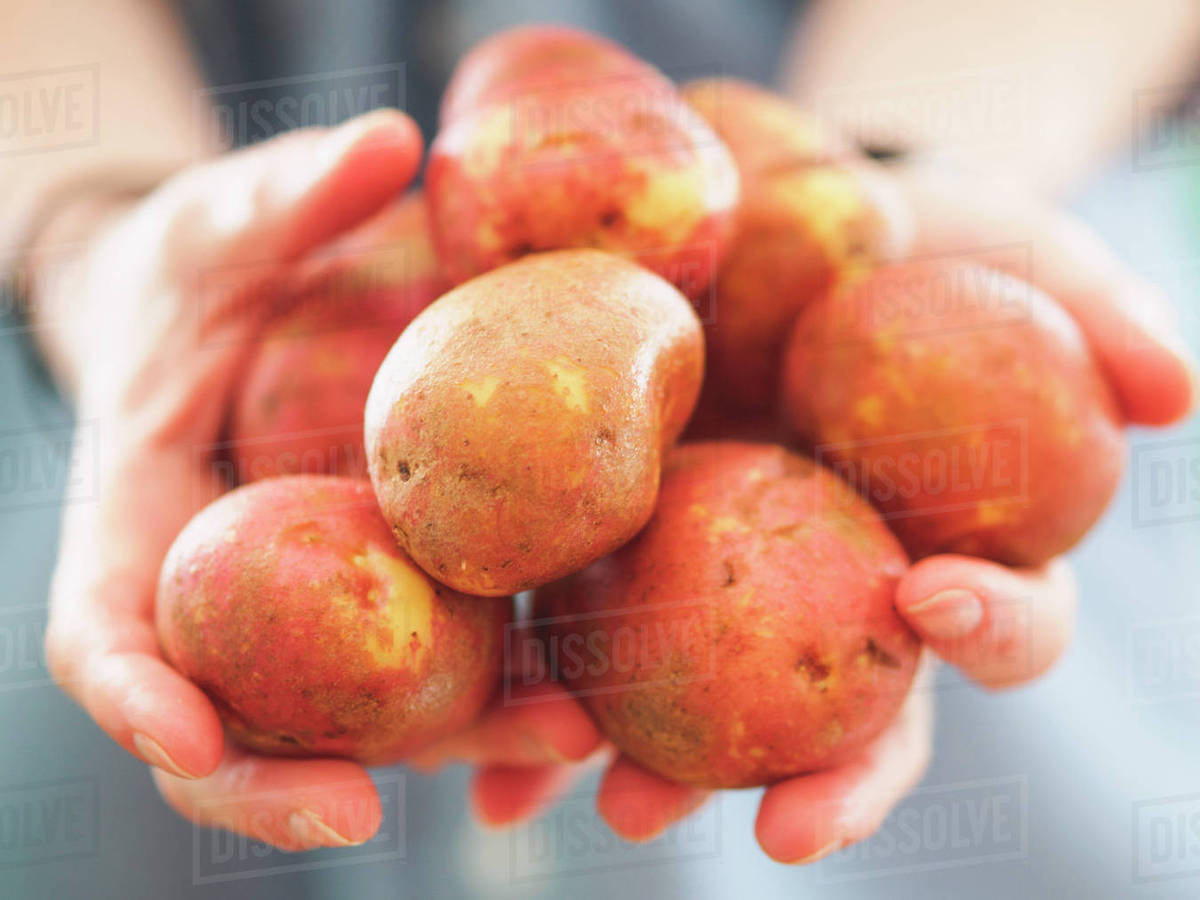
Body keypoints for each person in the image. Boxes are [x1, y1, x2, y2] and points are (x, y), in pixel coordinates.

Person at [4, 0, 1197, 871]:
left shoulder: (774, 279)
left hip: (891, 214)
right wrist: (91, 235)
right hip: (221, 366)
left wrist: (896, 168)